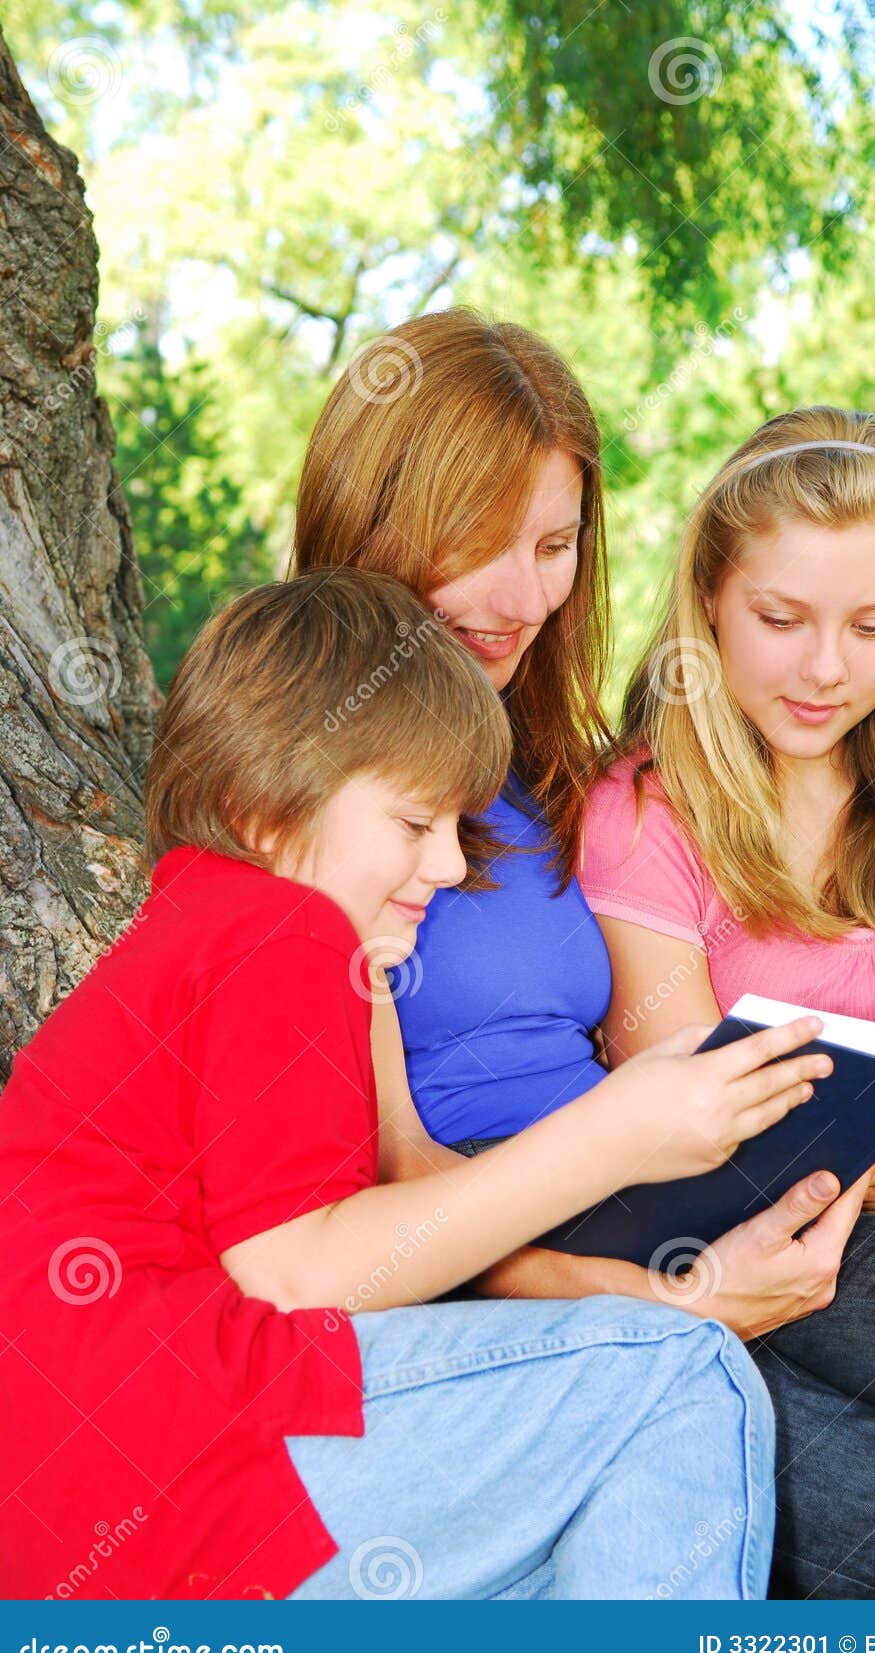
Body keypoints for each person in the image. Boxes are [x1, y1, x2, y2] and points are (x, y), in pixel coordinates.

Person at [292, 312, 875, 1599]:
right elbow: (390, 1185)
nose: (522, 597)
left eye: (552, 546)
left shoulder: (540, 768)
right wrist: (664, 1295)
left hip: (684, 1209)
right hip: (583, 1258)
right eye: (476, 544)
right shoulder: (334, 803)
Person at [0, 569, 786, 1601]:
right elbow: (295, 1273)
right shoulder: (280, 929)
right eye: (416, 825)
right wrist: (615, 1133)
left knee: (562, 1542)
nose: (453, 866)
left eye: (459, 829)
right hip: (171, 1454)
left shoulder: (204, 920)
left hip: (86, 1484)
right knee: (681, 1374)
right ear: (262, 810)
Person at [580, 405, 875, 1231]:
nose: (825, 670)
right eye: (780, 620)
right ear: (707, 597)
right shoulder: (637, 818)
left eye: (873, 626)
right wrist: (840, 1165)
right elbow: (695, 1134)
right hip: (864, 1250)